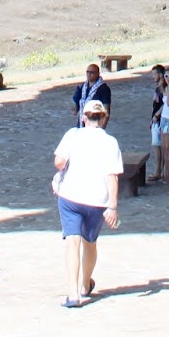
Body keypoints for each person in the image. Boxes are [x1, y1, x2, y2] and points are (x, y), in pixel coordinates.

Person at [53, 98, 123, 307]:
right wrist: (113, 206)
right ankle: (85, 283)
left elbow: (59, 162)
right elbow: (112, 176)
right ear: (103, 118)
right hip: (97, 200)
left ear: (84, 117)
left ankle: (73, 294)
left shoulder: (72, 135)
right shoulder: (110, 142)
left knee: (72, 241)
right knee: (89, 242)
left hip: (71, 196)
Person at [71, 62, 111, 127]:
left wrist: (102, 127)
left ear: (98, 74)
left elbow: (106, 110)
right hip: (82, 122)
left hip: (95, 123)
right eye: (87, 72)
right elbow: (78, 103)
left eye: (92, 72)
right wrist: (76, 108)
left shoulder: (104, 88)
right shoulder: (83, 86)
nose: (89, 74)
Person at [147, 64, 166, 181]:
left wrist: (156, 115)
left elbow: (165, 103)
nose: (153, 76)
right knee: (159, 147)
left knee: (156, 146)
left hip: (158, 120)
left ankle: (157, 172)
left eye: (154, 74)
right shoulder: (160, 87)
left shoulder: (162, 88)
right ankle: (161, 171)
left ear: (160, 74)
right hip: (157, 119)